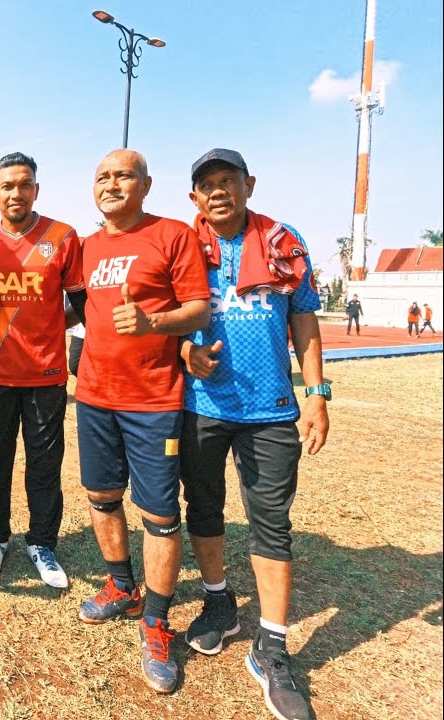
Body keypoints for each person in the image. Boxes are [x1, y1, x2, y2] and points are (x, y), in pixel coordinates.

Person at [180, 148, 327, 720]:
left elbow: (304, 316)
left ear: (249, 185)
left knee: (272, 522)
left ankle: (272, 646)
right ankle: (220, 603)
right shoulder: (183, 244)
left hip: (270, 408)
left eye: (228, 180)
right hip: (201, 405)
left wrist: (317, 394)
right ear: (194, 197)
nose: (218, 191)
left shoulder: (283, 241)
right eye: (207, 184)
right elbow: (165, 316)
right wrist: (184, 350)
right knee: (203, 507)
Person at [75, 149, 210, 694]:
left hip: (153, 401)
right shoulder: (86, 247)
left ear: (146, 185)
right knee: (101, 496)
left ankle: (156, 620)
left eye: (123, 176)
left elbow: (199, 309)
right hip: (93, 395)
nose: (111, 184)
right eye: (102, 177)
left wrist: (153, 322)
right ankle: (121, 586)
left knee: (159, 514)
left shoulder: (172, 235)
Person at [0, 152, 85, 589]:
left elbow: (82, 302)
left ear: (36, 189)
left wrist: (56, 326)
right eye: (7, 186)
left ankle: (42, 542)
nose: (16, 193)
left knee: (44, 464)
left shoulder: (62, 236)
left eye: (24, 184)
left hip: (46, 376)